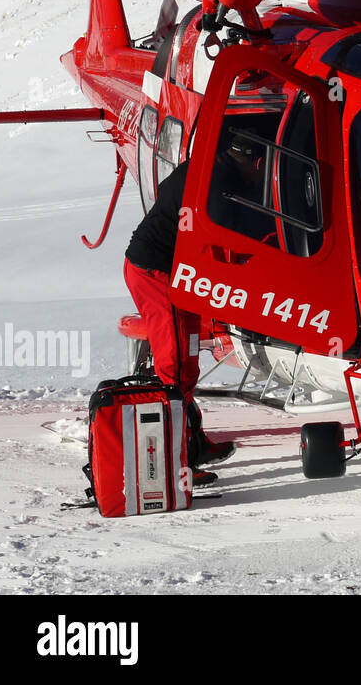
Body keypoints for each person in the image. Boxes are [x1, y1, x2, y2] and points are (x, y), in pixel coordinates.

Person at [124, 157, 236, 484]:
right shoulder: (210, 176)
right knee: (172, 364)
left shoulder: (203, 166)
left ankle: (195, 443)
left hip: (176, 275)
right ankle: (173, 464)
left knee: (186, 361)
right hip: (155, 273)